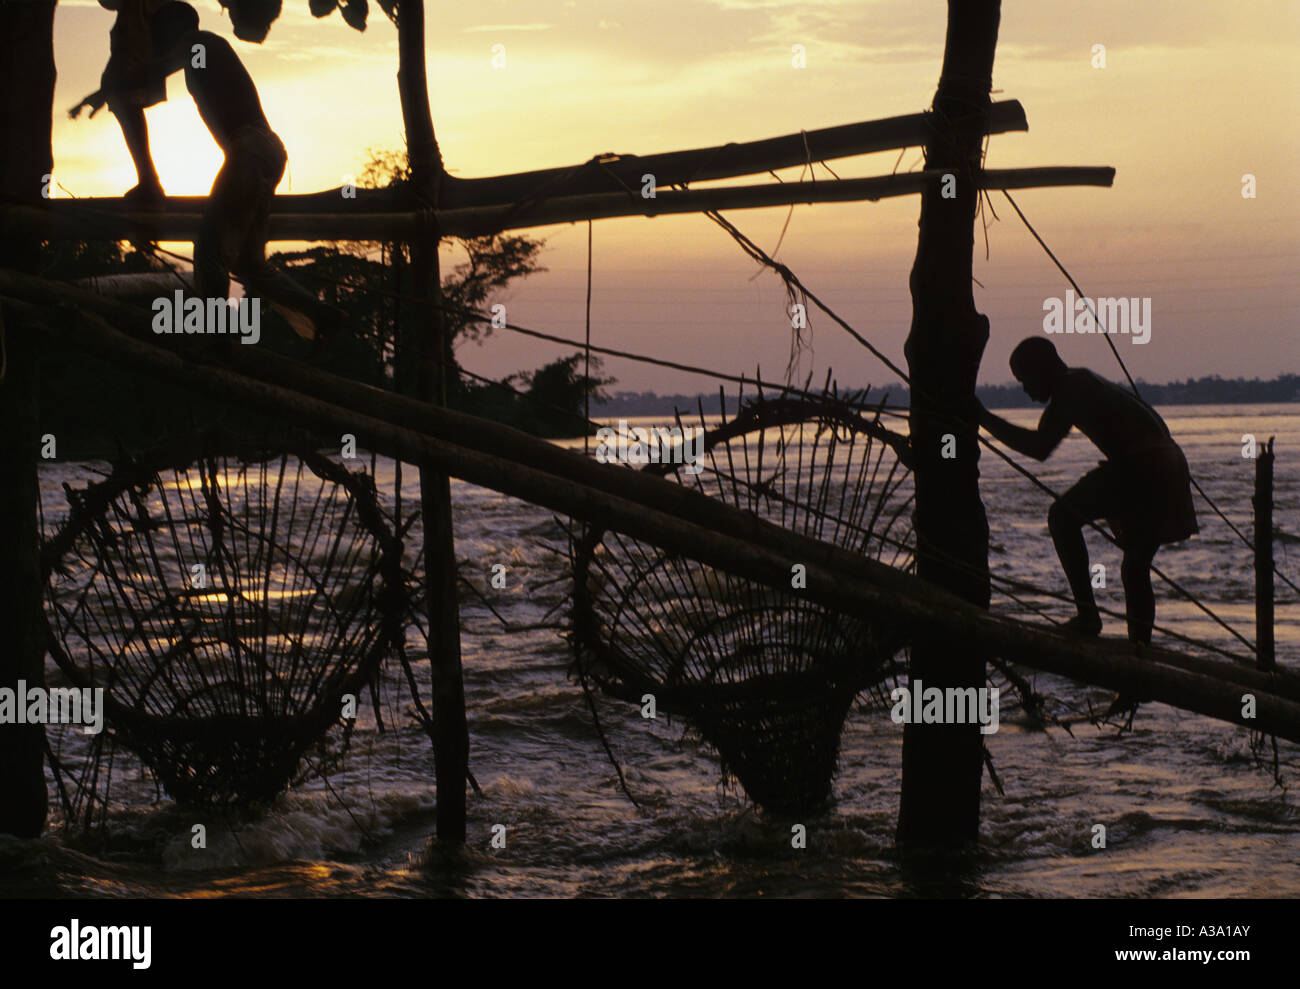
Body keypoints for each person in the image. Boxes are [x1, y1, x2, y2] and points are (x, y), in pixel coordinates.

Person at [104, 1, 334, 340]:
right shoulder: (203, 51)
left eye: (159, 33)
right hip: (265, 151)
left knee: (209, 251)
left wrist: (107, 90)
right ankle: (321, 314)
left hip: (250, 150)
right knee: (248, 264)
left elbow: (158, 69)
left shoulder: (199, 43)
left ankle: (216, 340)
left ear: (172, 28)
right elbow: (166, 67)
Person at [975, 337, 1197, 645]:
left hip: (1144, 465)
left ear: (1044, 369)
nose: (1025, 391)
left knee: (1062, 517)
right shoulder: (1080, 381)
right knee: (1135, 566)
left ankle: (1088, 616)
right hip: (1168, 462)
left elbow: (1040, 447)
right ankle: (1139, 649)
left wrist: (983, 418)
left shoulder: (1070, 388)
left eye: (1026, 381)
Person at [69, 0, 170, 207]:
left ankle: (149, 181)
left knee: (128, 110)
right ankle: (148, 180)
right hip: (126, 78)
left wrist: (108, 90)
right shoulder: (130, 12)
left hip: (131, 75)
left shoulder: (136, 10)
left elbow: (134, 48)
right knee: (127, 112)